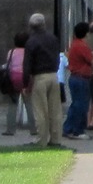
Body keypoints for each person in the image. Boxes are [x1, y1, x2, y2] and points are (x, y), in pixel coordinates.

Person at [25, 12, 64, 148]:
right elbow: (58, 57)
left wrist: (25, 83)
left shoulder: (31, 42)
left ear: (31, 26)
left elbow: (27, 64)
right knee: (55, 110)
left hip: (39, 77)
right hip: (53, 75)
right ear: (44, 24)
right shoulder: (53, 39)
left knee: (40, 111)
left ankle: (41, 140)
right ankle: (56, 139)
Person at [64, 21, 93, 138]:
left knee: (75, 104)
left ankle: (68, 128)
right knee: (82, 105)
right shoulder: (82, 46)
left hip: (74, 77)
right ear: (86, 33)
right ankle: (78, 130)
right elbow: (92, 60)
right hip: (81, 78)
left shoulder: (74, 44)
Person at [1, 28, 32, 136]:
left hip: (14, 77)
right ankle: (33, 128)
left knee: (12, 103)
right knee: (29, 103)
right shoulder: (29, 52)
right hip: (25, 77)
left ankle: (10, 129)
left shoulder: (11, 52)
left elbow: (9, 65)